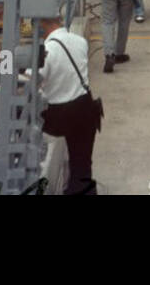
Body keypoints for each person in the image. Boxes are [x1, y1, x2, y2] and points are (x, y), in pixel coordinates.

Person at [39, 15, 98, 195]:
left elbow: (32, 80)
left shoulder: (46, 51)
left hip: (59, 113)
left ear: (41, 25)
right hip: (85, 106)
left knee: (48, 158)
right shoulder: (80, 41)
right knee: (82, 160)